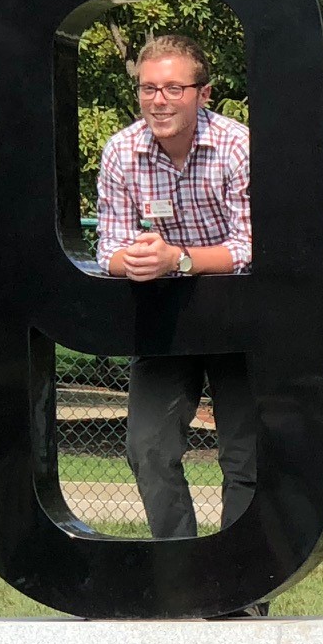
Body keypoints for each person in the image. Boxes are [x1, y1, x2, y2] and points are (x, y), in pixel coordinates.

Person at [94, 33, 256, 543]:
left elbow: (250, 245)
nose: (158, 101)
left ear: (202, 94)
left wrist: (179, 260)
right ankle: (181, 568)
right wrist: (134, 261)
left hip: (239, 315)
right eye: (148, 89)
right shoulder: (121, 151)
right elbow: (108, 248)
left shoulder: (238, 146)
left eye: (172, 88)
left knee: (245, 453)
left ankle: (243, 584)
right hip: (162, 315)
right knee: (147, 446)